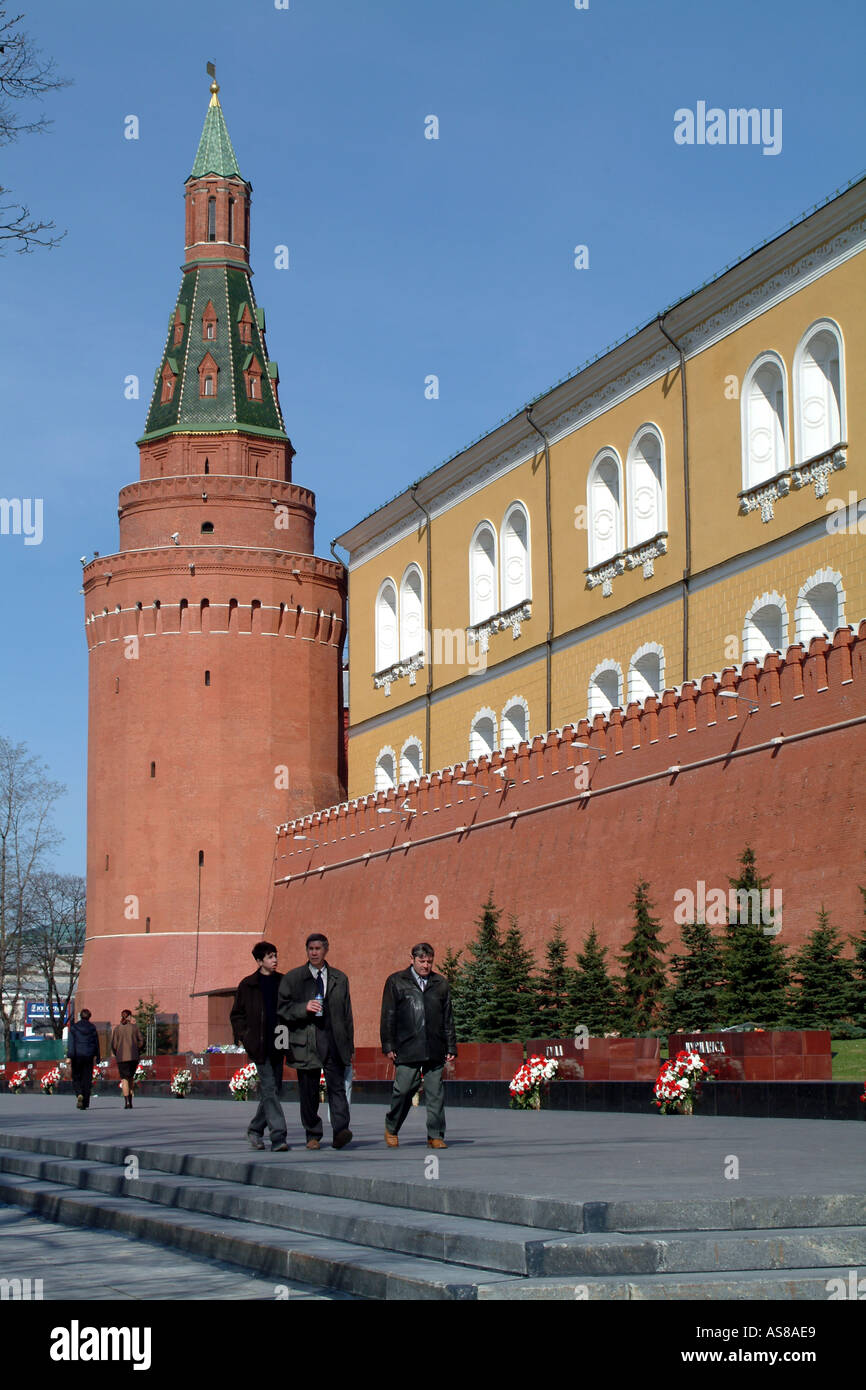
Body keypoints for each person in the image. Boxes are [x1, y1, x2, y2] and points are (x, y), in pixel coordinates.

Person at [277, 933, 353, 1150]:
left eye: (318, 948)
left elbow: (347, 1015)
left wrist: (349, 1046)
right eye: (310, 948)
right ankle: (312, 1134)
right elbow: (282, 1009)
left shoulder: (340, 978)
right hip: (306, 1041)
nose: (314, 952)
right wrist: (303, 1008)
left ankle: (341, 1131)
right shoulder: (293, 978)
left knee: (337, 1088)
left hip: (333, 1040)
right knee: (308, 1092)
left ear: (326, 950)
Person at [380, 943, 457, 1149]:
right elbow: (388, 1015)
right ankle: (392, 1126)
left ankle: (435, 1135)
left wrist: (451, 1046)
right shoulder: (396, 981)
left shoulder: (440, 983)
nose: (426, 965)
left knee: (435, 1094)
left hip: (435, 1046)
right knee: (403, 1090)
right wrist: (388, 1044)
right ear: (411, 959)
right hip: (407, 1046)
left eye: (429, 961)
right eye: (422, 961)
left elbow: (447, 1018)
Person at [230, 941, 289, 1151]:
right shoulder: (248, 985)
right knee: (270, 1089)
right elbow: (237, 1014)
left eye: (275, 956)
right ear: (259, 961)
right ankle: (279, 1136)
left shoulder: (283, 981)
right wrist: (246, 1036)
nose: (275, 960)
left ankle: (255, 1130)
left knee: (273, 1090)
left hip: (279, 1042)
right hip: (259, 1045)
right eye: (270, 957)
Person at [66, 1008, 101, 1110]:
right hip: (89, 1056)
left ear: (80, 1016)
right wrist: (98, 1056)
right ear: (89, 1016)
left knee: (76, 1077)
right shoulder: (92, 1028)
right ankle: (85, 1102)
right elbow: (96, 1043)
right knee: (87, 1079)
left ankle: (79, 1093)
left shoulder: (74, 1028)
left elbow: (71, 1043)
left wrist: (70, 1055)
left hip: (77, 1056)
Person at [110, 1009, 145, 1110]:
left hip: (121, 1057)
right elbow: (141, 1041)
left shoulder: (117, 1029)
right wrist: (137, 1048)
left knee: (124, 1078)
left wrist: (117, 1053)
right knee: (131, 1077)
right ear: (129, 1017)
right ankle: (131, 1099)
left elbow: (114, 1045)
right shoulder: (134, 1028)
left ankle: (127, 1102)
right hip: (133, 1056)